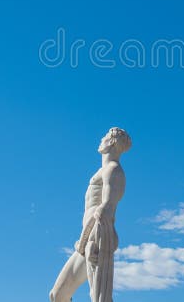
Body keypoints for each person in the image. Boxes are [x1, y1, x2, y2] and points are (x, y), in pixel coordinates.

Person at [49, 128, 131, 302]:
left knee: (98, 296)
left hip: (96, 238)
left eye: (105, 137)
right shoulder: (103, 170)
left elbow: (104, 210)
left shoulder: (113, 169)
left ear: (111, 142)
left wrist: (89, 240)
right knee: (58, 295)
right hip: (86, 240)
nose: (101, 139)